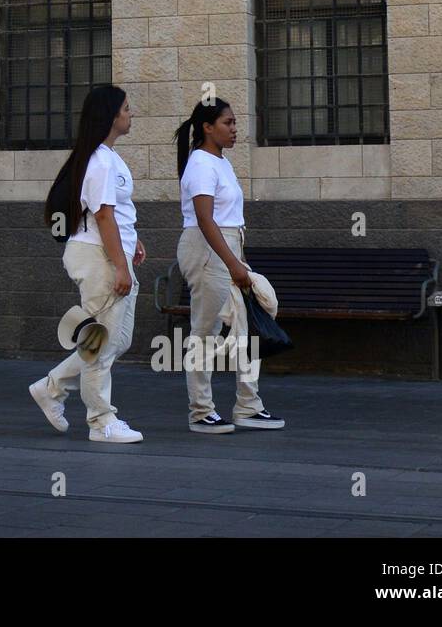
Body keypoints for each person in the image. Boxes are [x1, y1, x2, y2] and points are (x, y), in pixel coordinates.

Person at [29, 86, 147, 444]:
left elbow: (114, 215)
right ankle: (101, 422)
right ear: (111, 115)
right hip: (99, 257)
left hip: (112, 252)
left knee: (117, 340)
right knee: (103, 340)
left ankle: (51, 388)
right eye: (127, 108)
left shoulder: (110, 157)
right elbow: (104, 216)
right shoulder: (99, 160)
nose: (131, 114)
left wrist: (133, 242)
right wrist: (120, 267)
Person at [172, 98, 284, 433]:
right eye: (228, 123)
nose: (235, 129)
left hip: (227, 246)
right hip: (208, 249)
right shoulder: (202, 164)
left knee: (247, 326)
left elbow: (227, 218)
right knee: (205, 332)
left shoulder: (221, 162)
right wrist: (233, 262)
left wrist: (238, 258)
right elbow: (206, 220)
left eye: (235, 123)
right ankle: (201, 411)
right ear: (207, 127)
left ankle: (248, 406)